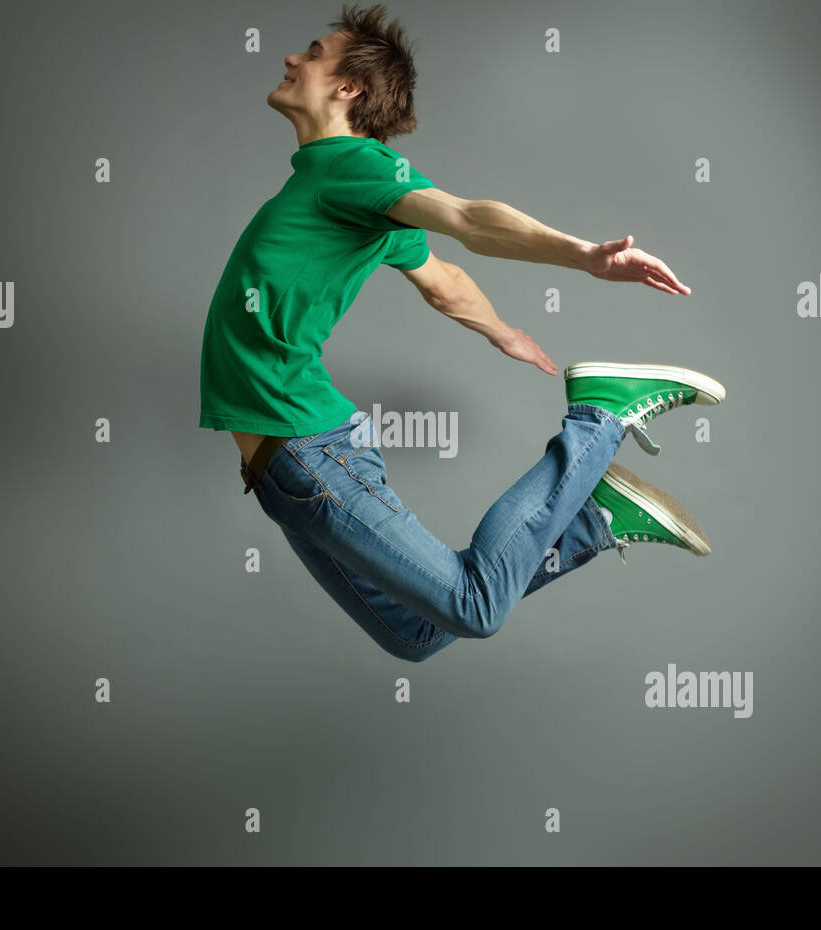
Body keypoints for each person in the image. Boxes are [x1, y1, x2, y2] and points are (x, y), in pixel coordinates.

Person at [199, 3, 726, 662]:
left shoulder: (355, 166)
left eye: (312, 51)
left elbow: (468, 219)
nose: (291, 58)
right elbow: (442, 279)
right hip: (283, 472)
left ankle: (601, 413)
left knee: (472, 607)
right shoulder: (338, 186)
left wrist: (584, 256)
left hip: (309, 451)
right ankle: (594, 517)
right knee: (414, 632)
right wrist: (502, 331)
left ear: (348, 87)